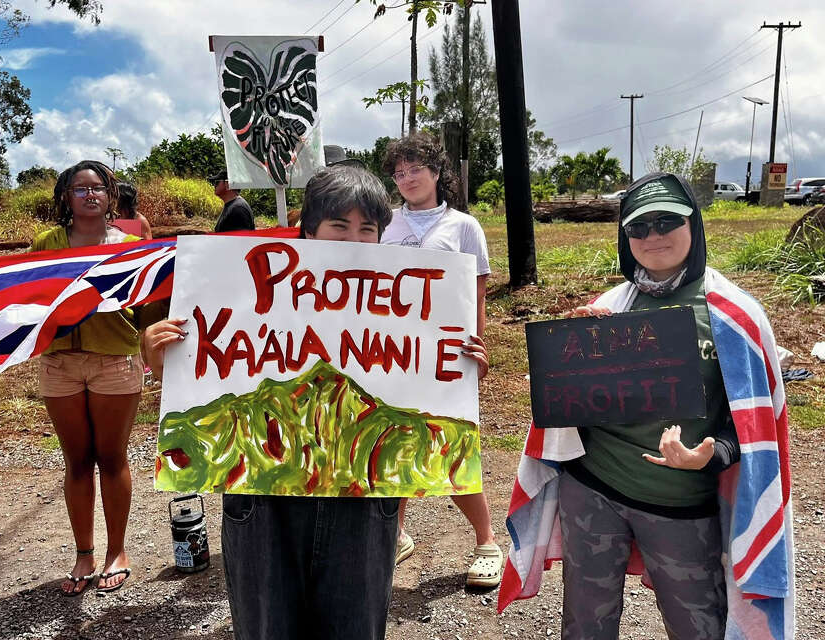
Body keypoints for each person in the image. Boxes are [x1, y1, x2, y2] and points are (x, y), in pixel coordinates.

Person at [142, 164, 489, 639]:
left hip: (364, 501)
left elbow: (429, 379)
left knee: (355, 625)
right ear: (308, 229)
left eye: (368, 228)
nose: (354, 239)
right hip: (262, 497)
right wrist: (159, 354)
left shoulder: (405, 296)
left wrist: (462, 368)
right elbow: (195, 378)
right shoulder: (242, 280)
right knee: (267, 626)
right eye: (339, 225)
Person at [503, 172, 794, 640]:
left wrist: (710, 454)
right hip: (593, 490)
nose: (653, 236)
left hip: (680, 505)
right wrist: (574, 352)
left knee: (698, 625)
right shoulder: (611, 307)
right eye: (639, 227)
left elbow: (756, 426)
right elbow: (567, 413)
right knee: (585, 621)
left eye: (666, 222)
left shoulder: (734, 316)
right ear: (625, 237)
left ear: (693, 226)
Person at [379, 132, 501, 588]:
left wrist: (478, 349)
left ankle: (486, 542)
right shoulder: (384, 223)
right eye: (399, 172)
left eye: (415, 169)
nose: (407, 178)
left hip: (444, 355)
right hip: (389, 355)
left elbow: (477, 292)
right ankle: (396, 535)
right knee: (392, 437)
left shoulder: (464, 226)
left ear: (436, 172)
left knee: (450, 444)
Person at [32, 160, 145, 596]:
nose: (90, 194)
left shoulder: (131, 246)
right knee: (77, 462)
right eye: (80, 189)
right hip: (59, 364)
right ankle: (84, 552)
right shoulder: (47, 244)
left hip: (115, 361)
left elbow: (152, 308)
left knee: (112, 458)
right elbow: (23, 294)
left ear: (110, 195)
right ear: (66, 196)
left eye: (98, 187)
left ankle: (117, 550)